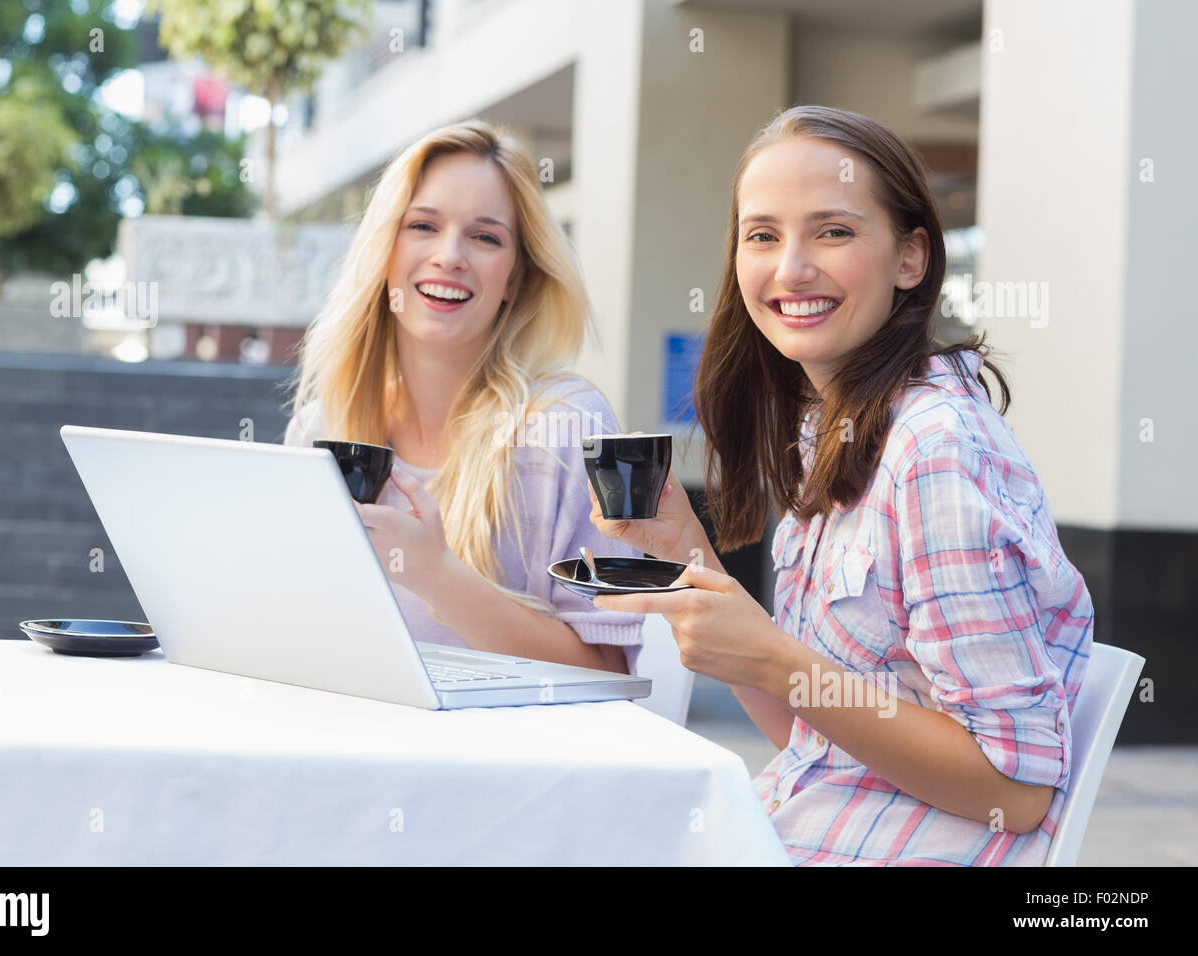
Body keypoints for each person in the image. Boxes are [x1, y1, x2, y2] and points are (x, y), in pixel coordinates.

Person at [590, 105, 1094, 864]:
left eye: (833, 231)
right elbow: (815, 737)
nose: (791, 268)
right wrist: (689, 562)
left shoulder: (933, 449)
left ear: (911, 258)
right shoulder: (828, 437)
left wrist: (772, 656)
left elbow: (1012, 791)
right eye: (762, 235)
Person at [283, 120, 643, 674]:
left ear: (516, 280)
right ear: (384, 251)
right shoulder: (321, 425)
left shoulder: (571, 427)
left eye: (485, 237)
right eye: (424, 225)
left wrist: (435, 574)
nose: (450, 256)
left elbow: (610, 672)